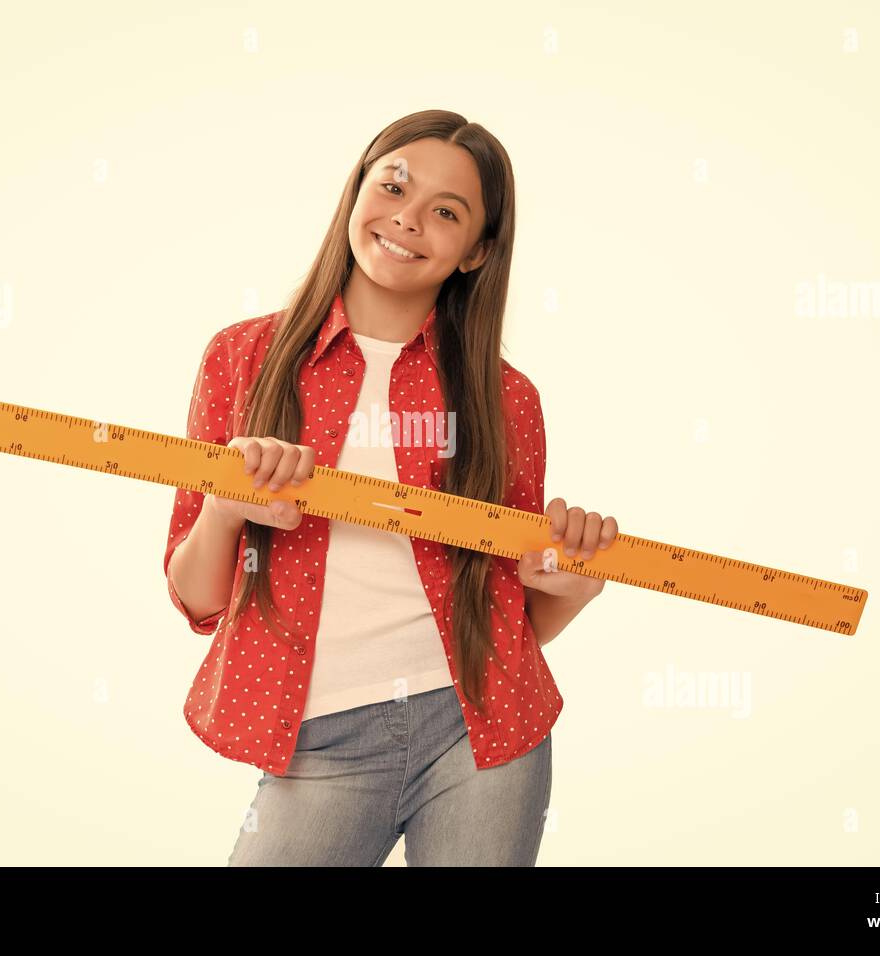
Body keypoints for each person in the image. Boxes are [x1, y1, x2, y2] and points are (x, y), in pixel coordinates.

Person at [164, 109, 618, 866]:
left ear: (476, 251)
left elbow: (510, 619)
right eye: (394, 185)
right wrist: (224, 508)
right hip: (318, 742)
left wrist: (568, 586)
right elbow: (198, 598)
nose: (407, 219)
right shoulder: (242, 359)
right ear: (356, 192)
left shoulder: (505, 399)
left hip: (480, 734)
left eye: (446, 212)